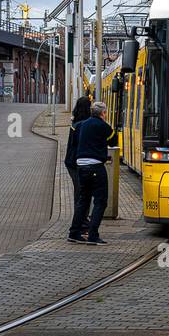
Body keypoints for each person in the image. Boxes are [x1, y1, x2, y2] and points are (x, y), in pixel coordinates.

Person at [68, 100, 113, 245]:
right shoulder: (103, 126)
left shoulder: (81, 125)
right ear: (103, 113)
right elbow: (113, 140)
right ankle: (93, 235)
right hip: (95, 166)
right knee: (100, 201)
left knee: (83, 200)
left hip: (81, 166)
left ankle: (74, 233)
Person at [63, 95, 92, 214]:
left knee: (80, 190)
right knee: (82, 192)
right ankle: (80, 219)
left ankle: (80, 217)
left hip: (71, 162)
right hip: (77, 163)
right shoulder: (83, 125)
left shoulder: (75, 124)